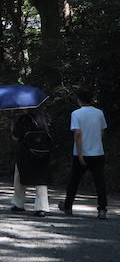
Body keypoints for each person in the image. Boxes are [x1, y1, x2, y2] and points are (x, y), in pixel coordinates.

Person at [58, 86, 108, 219]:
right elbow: (102, 131)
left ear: (79, 99)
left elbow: (78, 134)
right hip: (97, 152)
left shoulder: (76, 114)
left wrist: (80, 153)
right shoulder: (99, 113)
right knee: (100, 182)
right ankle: (102, 209)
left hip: (81, 153)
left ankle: (68, 206)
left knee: (74, 180)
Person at [11, 109, 51, 217]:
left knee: (19, 176)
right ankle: (41, 207)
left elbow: (15, 136)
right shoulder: (42, 118)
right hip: (42, 152)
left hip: (25, 152)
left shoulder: (23, 119)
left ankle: (18, 204)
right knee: (40, 180)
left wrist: (13, 127)